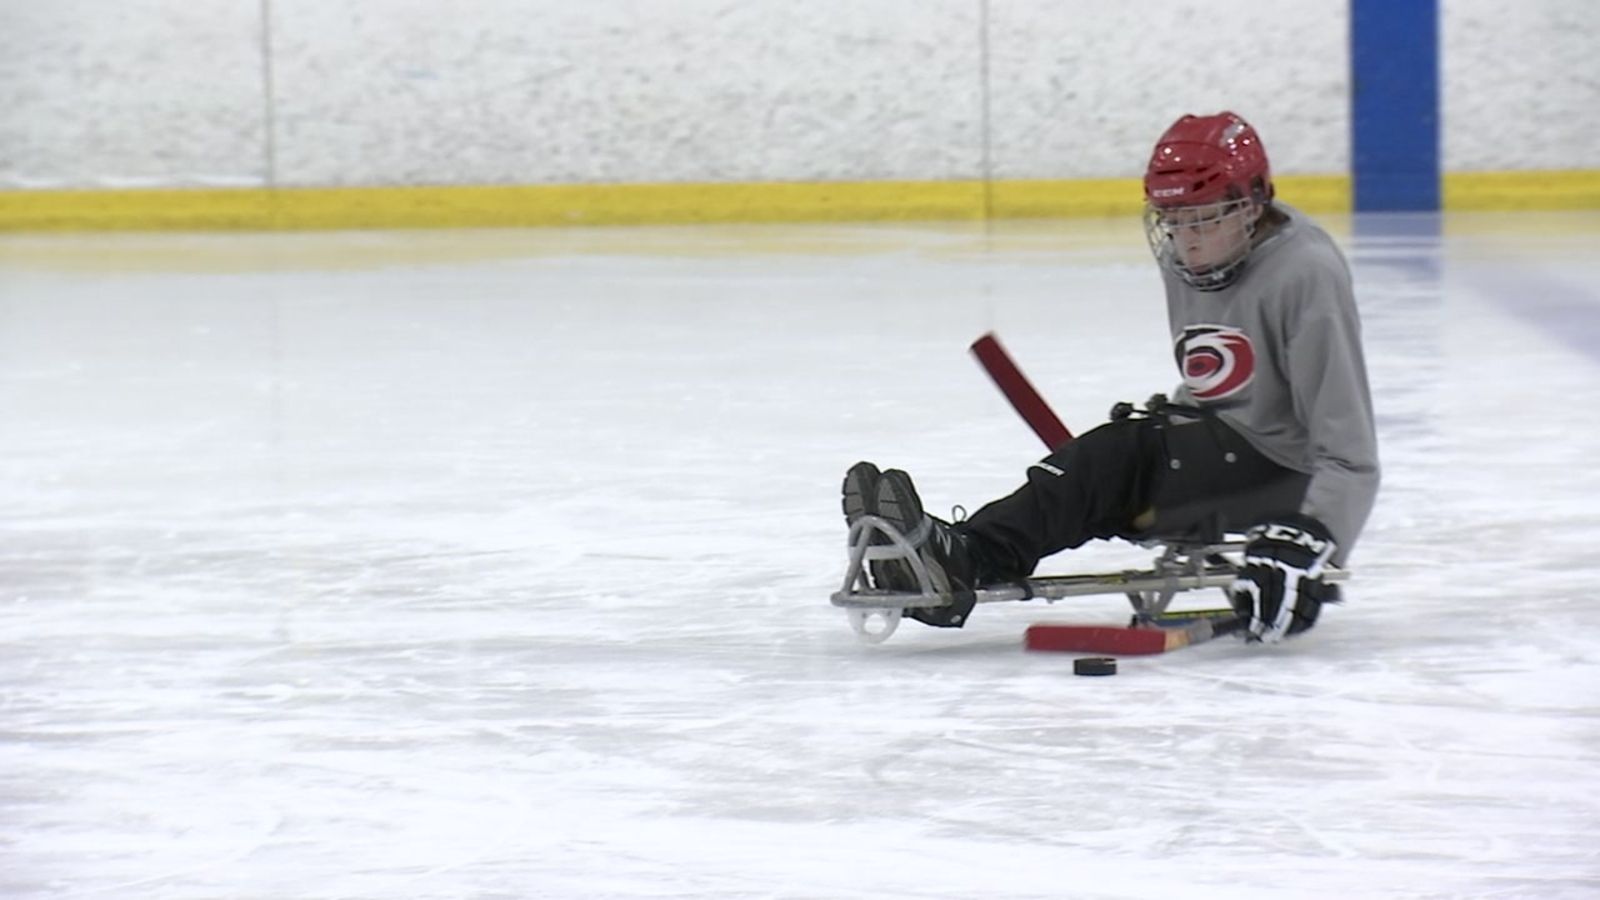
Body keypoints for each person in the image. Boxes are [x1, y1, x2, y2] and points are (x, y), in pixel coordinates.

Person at [842, 111, 1380, 643]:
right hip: (1223, 449)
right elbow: (1222, 380)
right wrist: (1178, 419)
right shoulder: (1184, 256)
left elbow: (1350, 452)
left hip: (1283, 475)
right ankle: (958, 550)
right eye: (1173, 219)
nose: (1187, 240)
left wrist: (1312, 537)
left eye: (1204, 219)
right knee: (1109, 462)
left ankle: (965, 557)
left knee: (1115, 458)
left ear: (1253, 202)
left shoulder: (1305, 272)